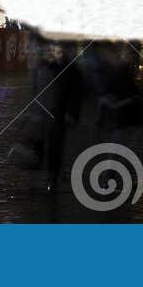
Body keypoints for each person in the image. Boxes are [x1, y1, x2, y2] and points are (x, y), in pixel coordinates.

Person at [35, 41, 83, 192]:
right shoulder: (46, 65)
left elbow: (76, 94)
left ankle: (53, 174)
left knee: (56, 144)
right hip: (46, 110)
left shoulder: (72, 69)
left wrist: (72, 113)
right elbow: (37, 87)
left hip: (60, 113)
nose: (57, 52)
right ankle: (51, 171)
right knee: (45, 142)